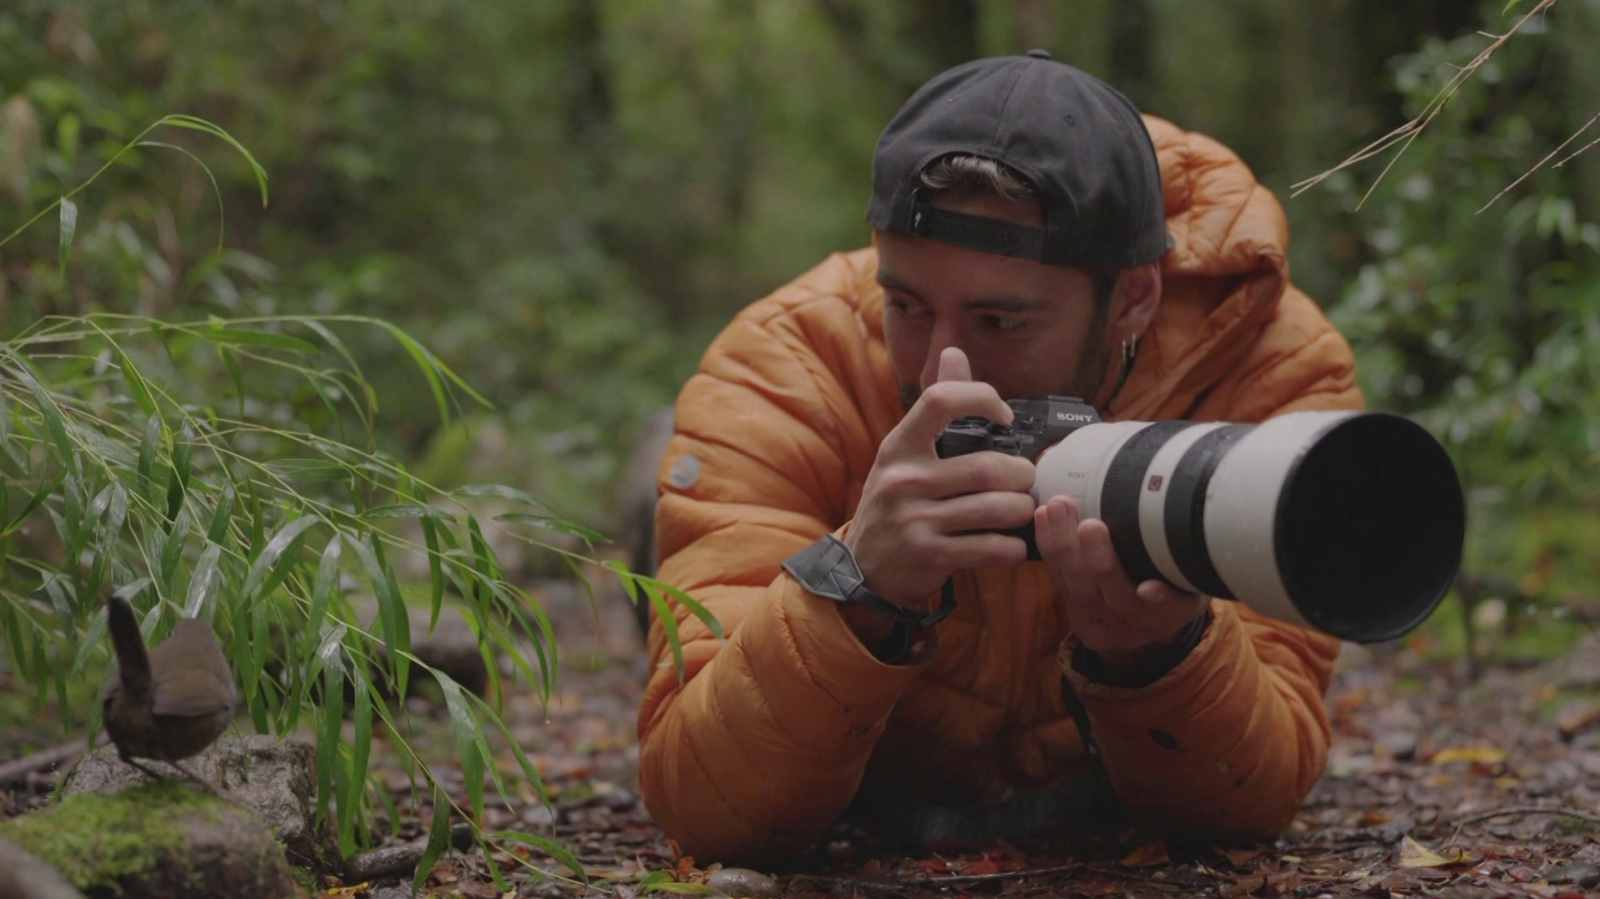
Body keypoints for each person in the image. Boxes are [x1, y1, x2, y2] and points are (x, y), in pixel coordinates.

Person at [635, 51, 1361, 863]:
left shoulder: (1268, 367)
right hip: (856, 786)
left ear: (1134, 297)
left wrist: (1162, 655)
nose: (942, 372)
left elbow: (1255, 796)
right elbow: (704, 804)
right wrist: (855, 587)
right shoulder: (785, 367)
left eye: (1001, 321)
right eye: (904, 305)